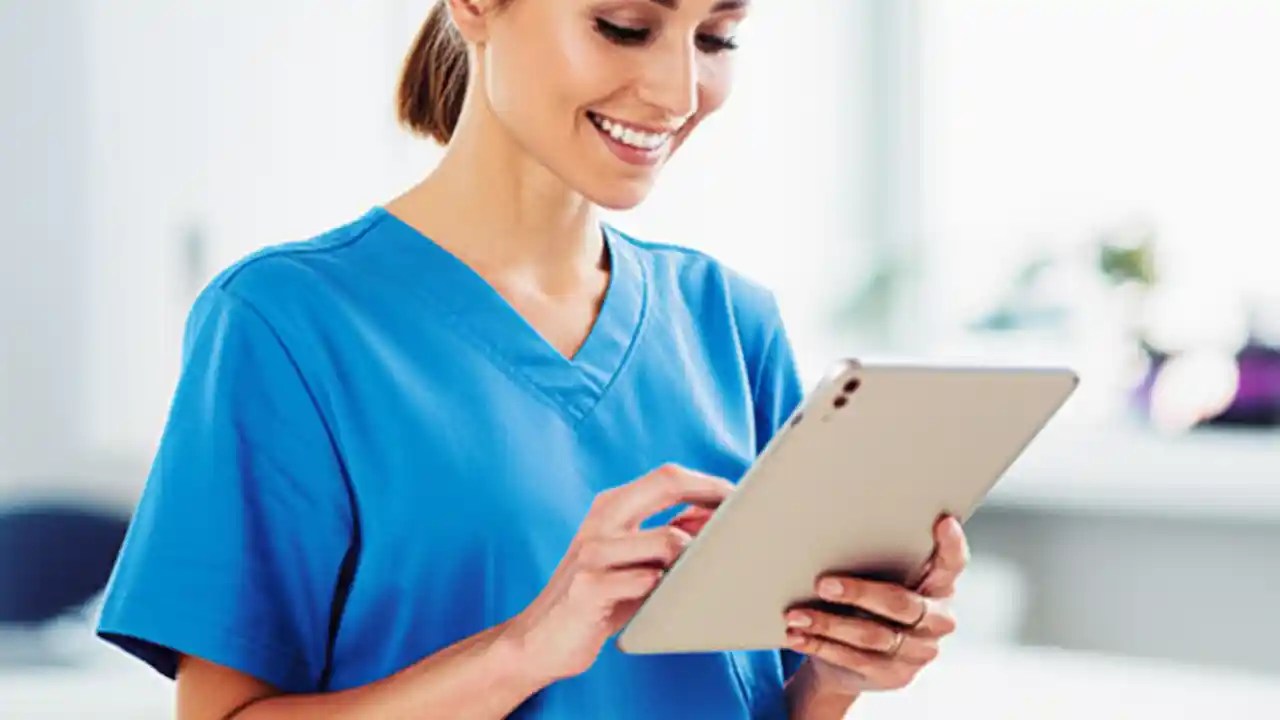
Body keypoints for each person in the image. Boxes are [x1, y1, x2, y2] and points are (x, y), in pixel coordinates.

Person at [96, 1, 969, 717]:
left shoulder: (730, 324)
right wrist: (524, 650)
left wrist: (833, 677)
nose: (676, 90)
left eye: (717, 37)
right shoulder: (286, 324)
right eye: (626, 26)